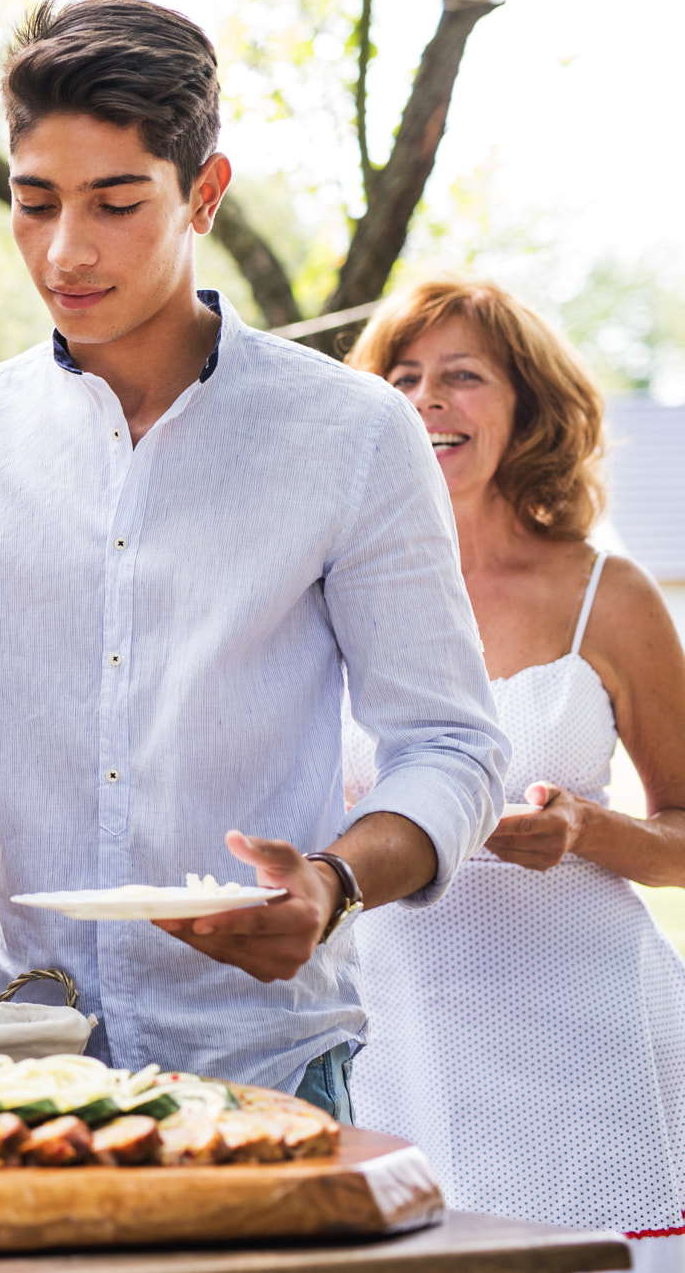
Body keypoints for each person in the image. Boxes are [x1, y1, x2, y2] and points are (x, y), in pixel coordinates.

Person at [0, 0, 507, 1114]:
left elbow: (449, 744)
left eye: (114, 203)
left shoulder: (353, 436)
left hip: (266, 1065)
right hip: (18, 1056)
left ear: (204, 192)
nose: (63, 250)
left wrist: (330, 886)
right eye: (31, 204)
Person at [342, 279, 685, 1255]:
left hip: (590, 1044)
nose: (426, 399)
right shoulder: (336, 592)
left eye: (461, 376)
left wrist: (587, 829)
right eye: (400, 377)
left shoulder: (605, 597)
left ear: (526, 407)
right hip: (399, 1040)